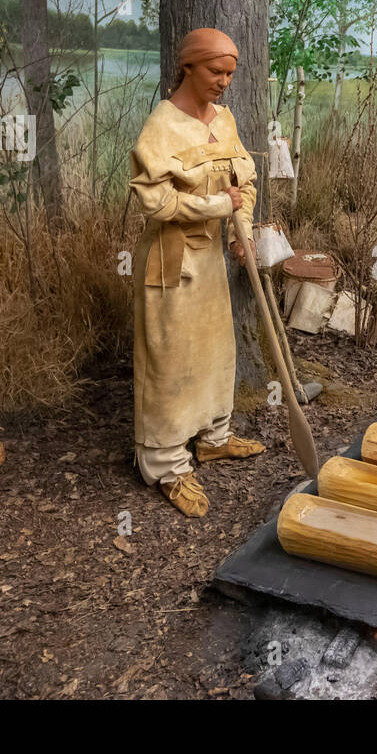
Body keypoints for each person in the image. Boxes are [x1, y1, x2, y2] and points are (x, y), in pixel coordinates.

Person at [128, 28, 266, 517]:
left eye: (230, 73)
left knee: (215, 352)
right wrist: (216, 206)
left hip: (210, 261)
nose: (224, 82)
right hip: (172, 265)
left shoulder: (224, 121)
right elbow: (156, 201)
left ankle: (213, 438)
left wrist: (241, 231)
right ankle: (167, 465)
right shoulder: (162, 126)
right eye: (215, 72)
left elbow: (241, 183)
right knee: (169, 360)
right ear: (188, 66)